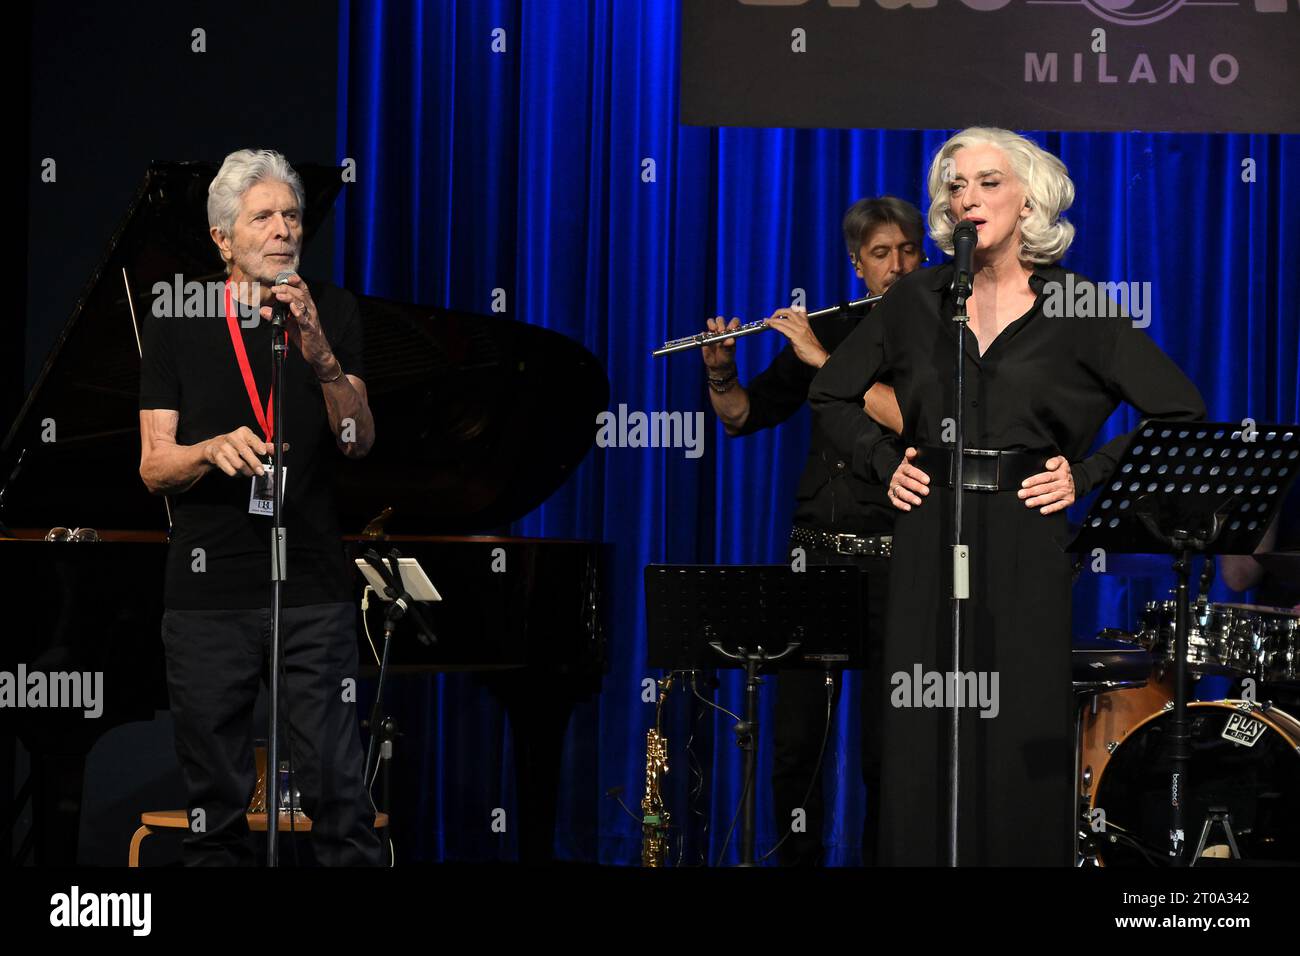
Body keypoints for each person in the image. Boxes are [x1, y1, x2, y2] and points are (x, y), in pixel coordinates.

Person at [809, 129, 1206, 865]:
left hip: (1026, 531)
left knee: (1019, 721)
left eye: (987, 182)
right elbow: (831, 394)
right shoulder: (916, 300)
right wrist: (880, 459)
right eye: (956, 186)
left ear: (1030, 200)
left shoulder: (1078, 304)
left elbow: (1180, 410)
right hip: (931, 526)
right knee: (923, 724)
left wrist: (1084, 477)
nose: (967, 198)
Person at [137, 148, 383, 865]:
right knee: (216, 806)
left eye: (292, 215)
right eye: (263, 217)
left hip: (308, 585)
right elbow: (154, 466)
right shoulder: (177, 320)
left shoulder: (330, 309)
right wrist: (209, 449)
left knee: (338, 789)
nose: (284, 229)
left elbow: (358, 439)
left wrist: (320, 350)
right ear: (223, 239)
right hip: (209, 593)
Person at [702, 196, 924, 865]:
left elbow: (911, 418)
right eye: (881, 254)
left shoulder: (942, 335)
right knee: (798, 741)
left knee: (889, 745)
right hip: (816, 557)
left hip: (897, 557)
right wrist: (720, 372)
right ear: (857, 266)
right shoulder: (834, 327)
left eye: (908, 251)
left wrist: (819, 357)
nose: (897, 265)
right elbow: (742, 417)